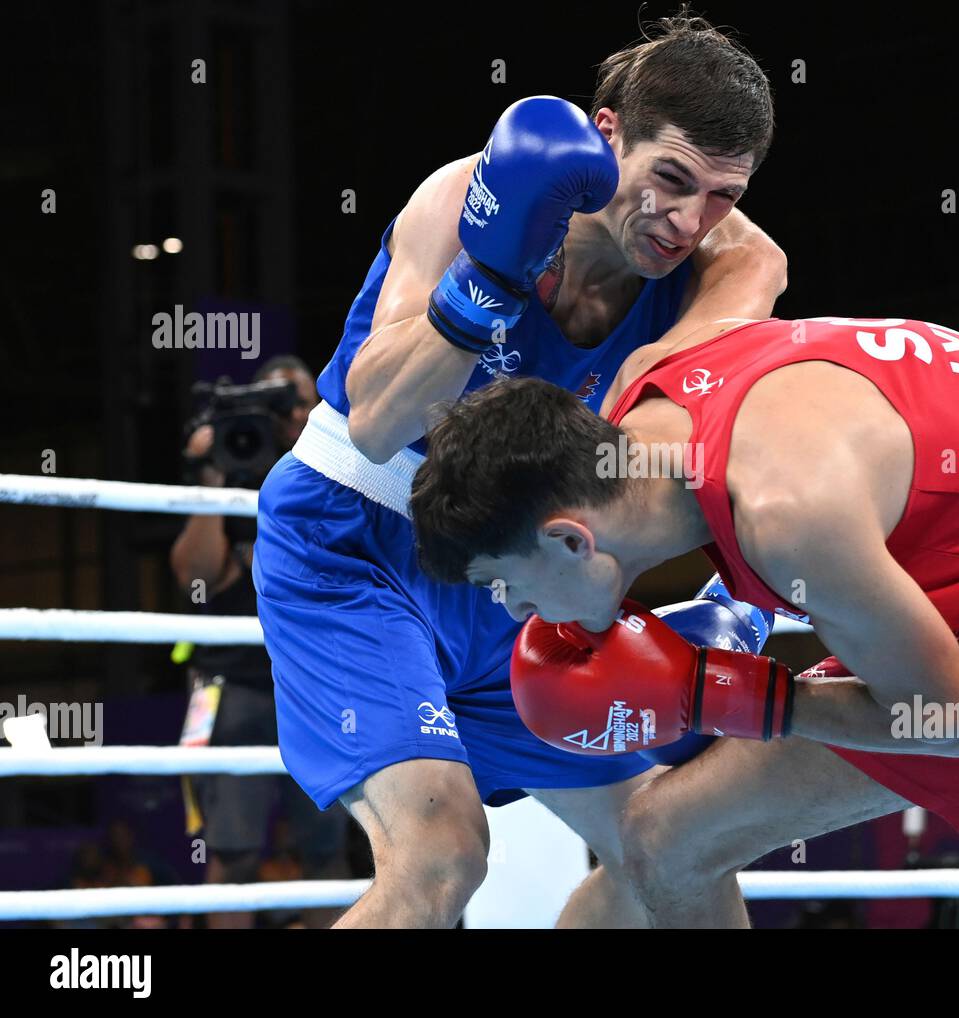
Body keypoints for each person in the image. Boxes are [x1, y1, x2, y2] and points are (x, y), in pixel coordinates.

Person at [410, 314, 959, 928]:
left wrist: (721, 692)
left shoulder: (790, 513)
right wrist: (721, 620)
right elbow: (747, 257)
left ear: (567, 538)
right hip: (956, 594)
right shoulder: (650, 392)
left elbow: (949, 721)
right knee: (663, 838)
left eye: (504, 585)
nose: (515, 613)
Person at [253, 14, 787, 927]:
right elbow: (379, 422)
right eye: (671, 178)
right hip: (356, 545)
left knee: (677, 845)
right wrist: (486, 285)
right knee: (441, 859)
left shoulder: (737, 266)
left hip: (520, 576)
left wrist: (739, 597)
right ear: (606, 133)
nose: (688, 221)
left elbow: (655, 437)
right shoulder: (464, 196)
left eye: (721, 195)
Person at [172, 355, 350, 929]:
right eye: (280, 405)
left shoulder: (340, 463)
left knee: (327, 850)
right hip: (235, 684)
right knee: (232, 854)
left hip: (314, 683)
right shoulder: (231, 471)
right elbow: (195, 578)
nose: (292, 416)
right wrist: (212, 478)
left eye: (298, 402)